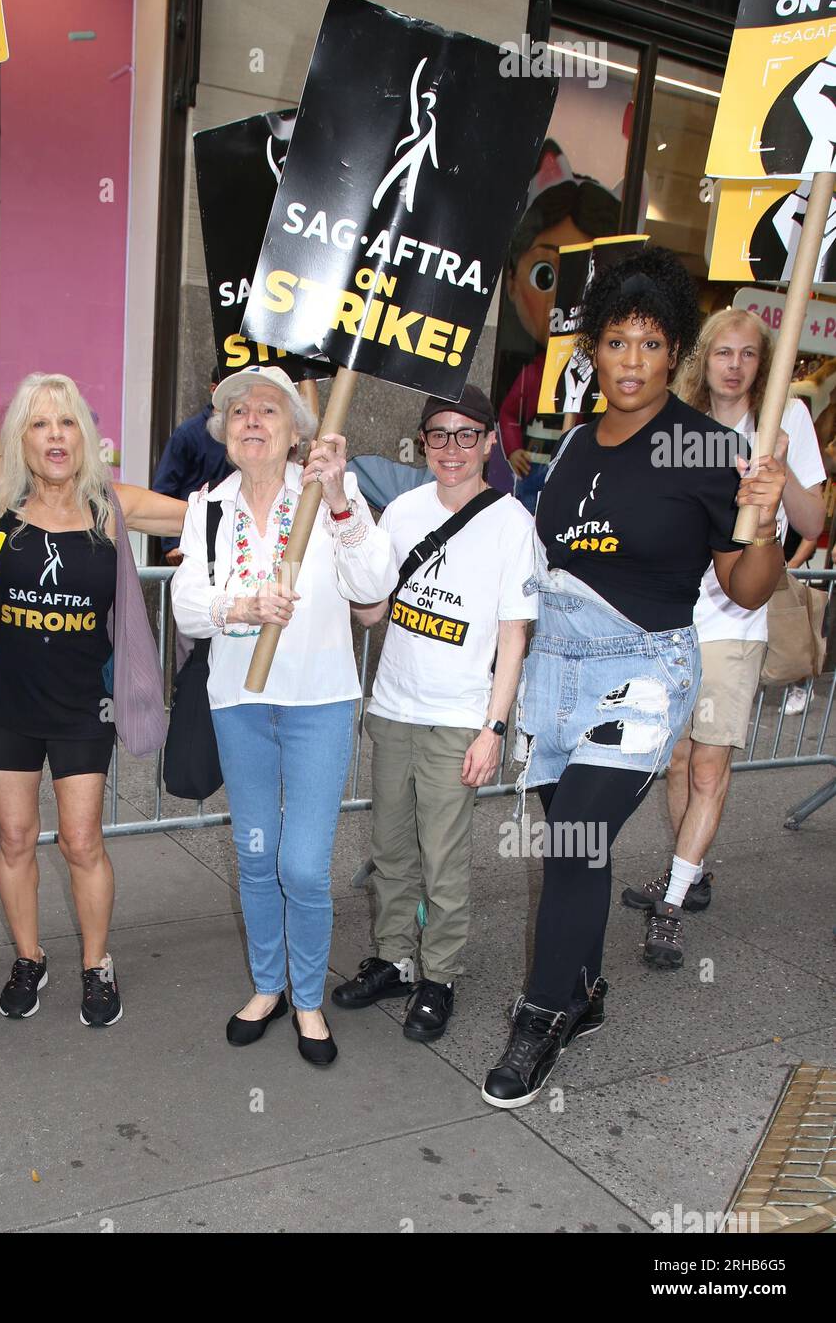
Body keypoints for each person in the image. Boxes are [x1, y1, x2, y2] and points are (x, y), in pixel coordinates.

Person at [481, 247, 787, 1109]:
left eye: (651, 345)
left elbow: (743, 586)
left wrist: (757, 519)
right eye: (615, 342)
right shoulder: (573, 443)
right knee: (574, 839)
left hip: (644, 668)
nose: (631, 361)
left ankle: (541, 1014)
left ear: (674, 351)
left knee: (573, 830)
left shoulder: (706, 445)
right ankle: (581, 992)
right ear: (592, 350)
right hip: (558, 668)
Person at [0, 221, 186, 1028]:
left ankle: (97, 965)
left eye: (66, 422)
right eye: (39, 423)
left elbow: (219, 514)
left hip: (85, 707)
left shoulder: (112, 508)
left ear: (84, 437)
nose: (52, 436)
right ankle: (29, 957)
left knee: (81, 842)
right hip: (6, 699)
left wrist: (292, 479)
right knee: (13, 839)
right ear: (21, 436)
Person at [171, 365, 394, 1067]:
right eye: (239, 412)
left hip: (319, 700)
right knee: (257, 854)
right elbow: (183, 606)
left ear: (295, 429)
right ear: (225, 433)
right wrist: (238, 607)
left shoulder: (330, 491)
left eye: (269, 410)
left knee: (302, 865)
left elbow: (372, 586)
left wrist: (336, 501)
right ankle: (268, 987)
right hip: (238, 702)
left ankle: (307, 997)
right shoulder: (207, 507)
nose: (252, 420)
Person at [332, 386, 536, 1041]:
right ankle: (392, 957)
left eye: (465, 434)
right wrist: (346, 543)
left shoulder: (510, 523)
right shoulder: (401, 512)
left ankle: (438, 975)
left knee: (441, 858)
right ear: (422, 442)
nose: (451, 448)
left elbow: (513, 634)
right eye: (438, 435)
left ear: (485, 442)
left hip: (457, 719)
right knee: (390, 851)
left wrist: (493, 726)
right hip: (393, 708)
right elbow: (374, 610)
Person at [622, 311, 825, 963]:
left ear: (760, 363)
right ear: (702, 359)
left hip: (736, 622)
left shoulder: (783, 416)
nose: (733, 365)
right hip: (675, 617)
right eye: (721, 353)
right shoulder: (677, 421)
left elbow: (813, 520)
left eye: (745, 354)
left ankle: (673, 904)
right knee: (678, 761)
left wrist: (782, 471)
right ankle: (692, 868)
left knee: (709, 764)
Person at [497, 146, 620, 512]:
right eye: (545, 275)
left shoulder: (602, 378)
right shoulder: (535, 373)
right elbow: (507, 414)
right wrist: (514, 447)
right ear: (512, 280)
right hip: (535, 465)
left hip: (572, 471)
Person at [151, 367, 230, 563]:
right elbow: (163, 490)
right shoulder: (187, 434)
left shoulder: (247, 438)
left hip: (231, 544)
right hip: (189, 548)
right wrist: (173, 543)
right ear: (214, 389)